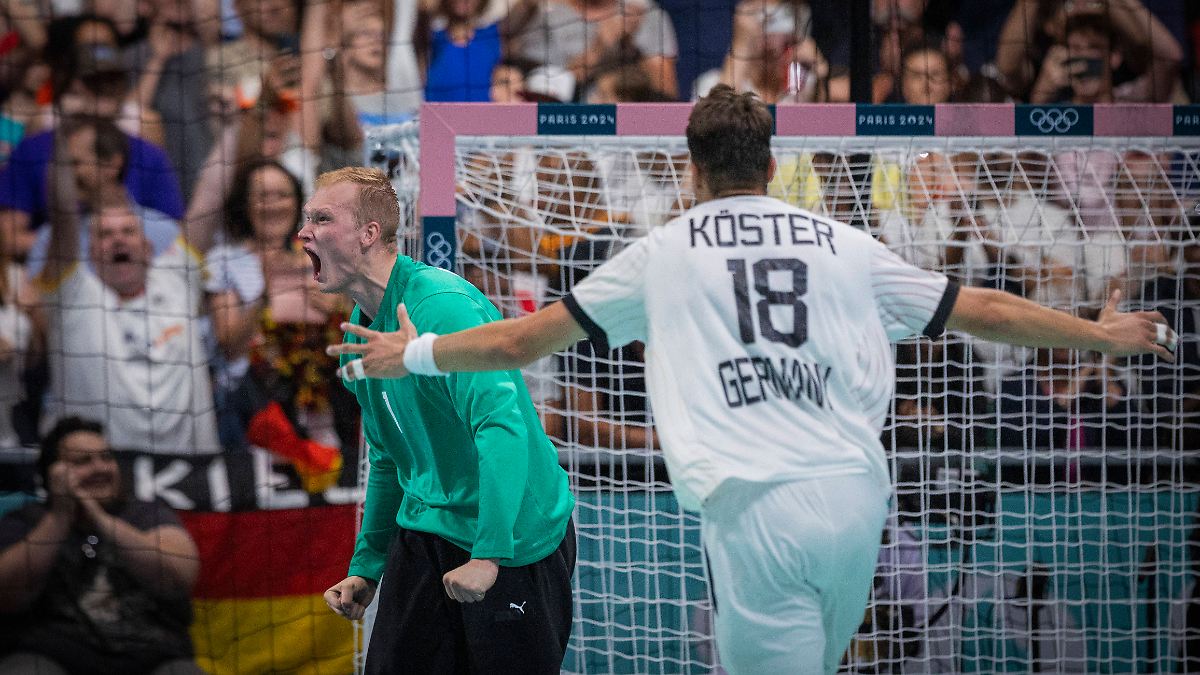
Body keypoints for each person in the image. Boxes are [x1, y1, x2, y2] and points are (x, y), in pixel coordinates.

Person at [327, 86, 1177, 675]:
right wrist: (1100, 332)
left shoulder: (663, 252)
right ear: (773, 167)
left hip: (756, 506)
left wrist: (419, 355)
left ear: (691, 173)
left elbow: (520, 340)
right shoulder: (847, 244)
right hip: (857, 503)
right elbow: (981, 308)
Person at [304, 167, 576, 673]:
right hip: (426, 529)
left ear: (368, 234)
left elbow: (502, 428)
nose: (304, 233)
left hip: (513, 536)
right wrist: (367, 567)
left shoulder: (441, 307)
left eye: (321, 218)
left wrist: (489, 555)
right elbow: (387, 459)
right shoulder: (359, 335)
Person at [0, 416, 202, 674]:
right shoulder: (27, 520)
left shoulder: (147, 514)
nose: (101, 468)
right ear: (53, 474)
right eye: (83, 462)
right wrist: (60, 517)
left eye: (106, 458)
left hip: (150, 655)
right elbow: (6, 595)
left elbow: (180, 576)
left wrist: (98, 517)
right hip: (49, 653)